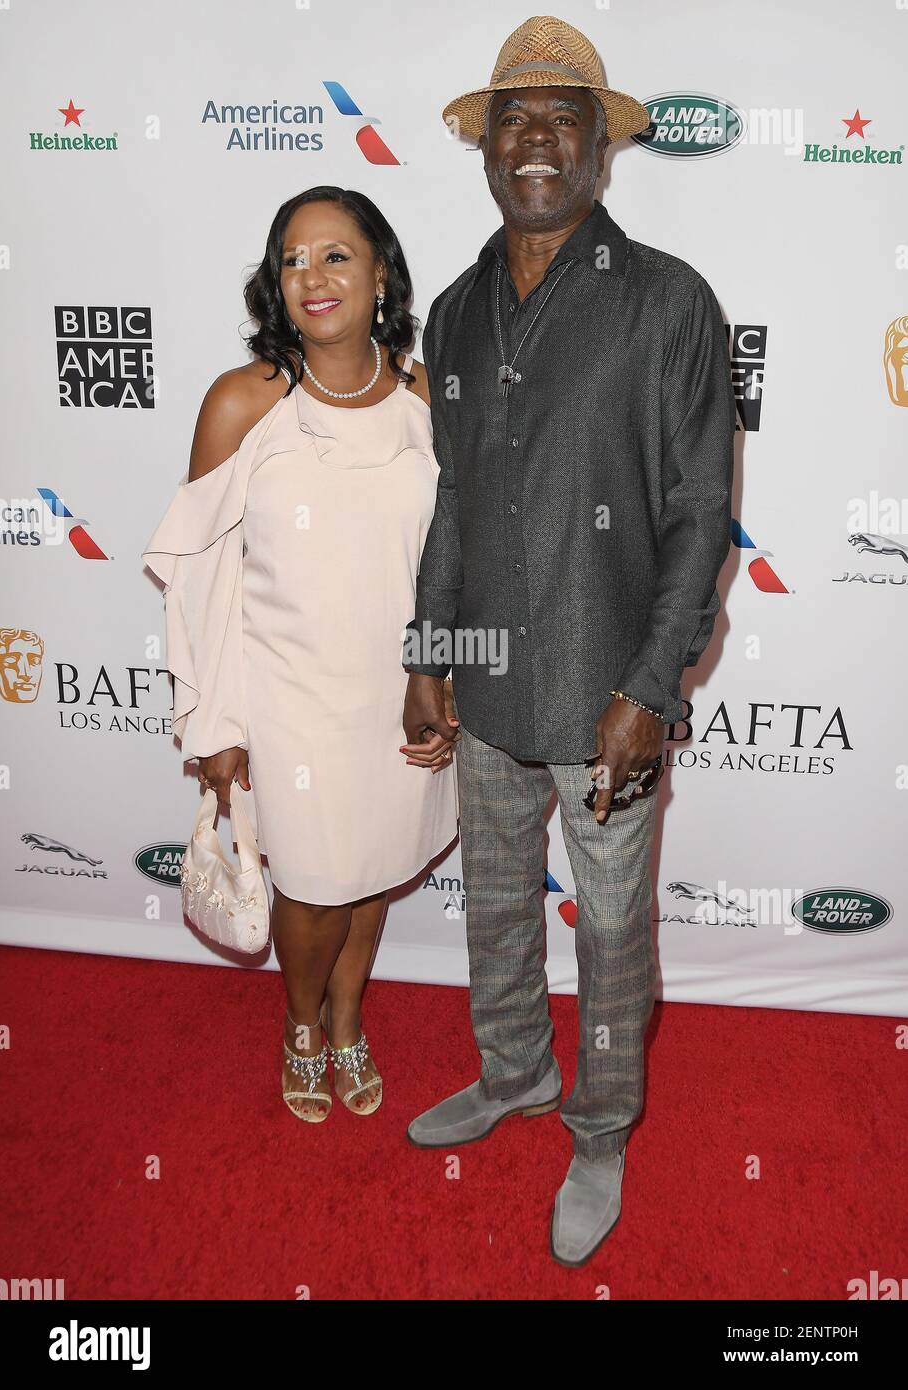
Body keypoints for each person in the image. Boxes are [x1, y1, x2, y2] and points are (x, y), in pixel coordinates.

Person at [399, 16, 735, 1264]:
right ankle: (510, 1073)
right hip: (484, 679)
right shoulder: (454, 309)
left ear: (601, 149)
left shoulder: (669, 304)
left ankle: (599, 1128)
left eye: (563, 118)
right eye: (514, 119)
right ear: (487, 148)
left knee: (606, 927)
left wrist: (651, 682)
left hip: (609, 689)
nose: (535, 139)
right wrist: (427, 650)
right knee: (494, 901)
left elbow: (702, 514)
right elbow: (452, 500)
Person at [143, 187, 458, 1124]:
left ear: (381, 273)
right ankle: (302, 1026)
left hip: (401, 692)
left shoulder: (425, 397)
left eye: (336, 255)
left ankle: (351, 1018)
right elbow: (200, 581)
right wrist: (213, 724)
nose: (311, 277)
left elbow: (460, 555)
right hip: (288, 697)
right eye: (291, 259)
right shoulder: (244, 403)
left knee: (375, 873)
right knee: (316, 887)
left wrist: (444, 680)